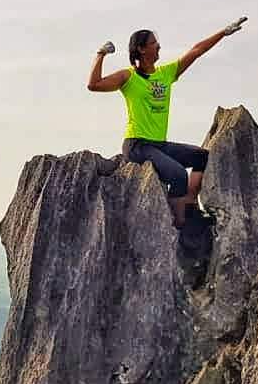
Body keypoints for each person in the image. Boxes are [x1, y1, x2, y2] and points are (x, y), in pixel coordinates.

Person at [86, 17, 247, 227]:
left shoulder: (166, 73)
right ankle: (179, 224)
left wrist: (223, 33)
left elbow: (196, 51)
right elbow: (94, 84)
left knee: (201, 157)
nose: (158, 45)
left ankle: (189, 203)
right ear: (142, 49)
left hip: (159, 144)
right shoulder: (129, 77)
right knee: (178, 174)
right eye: (154, 43)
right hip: (137, 145)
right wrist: (101, 54)